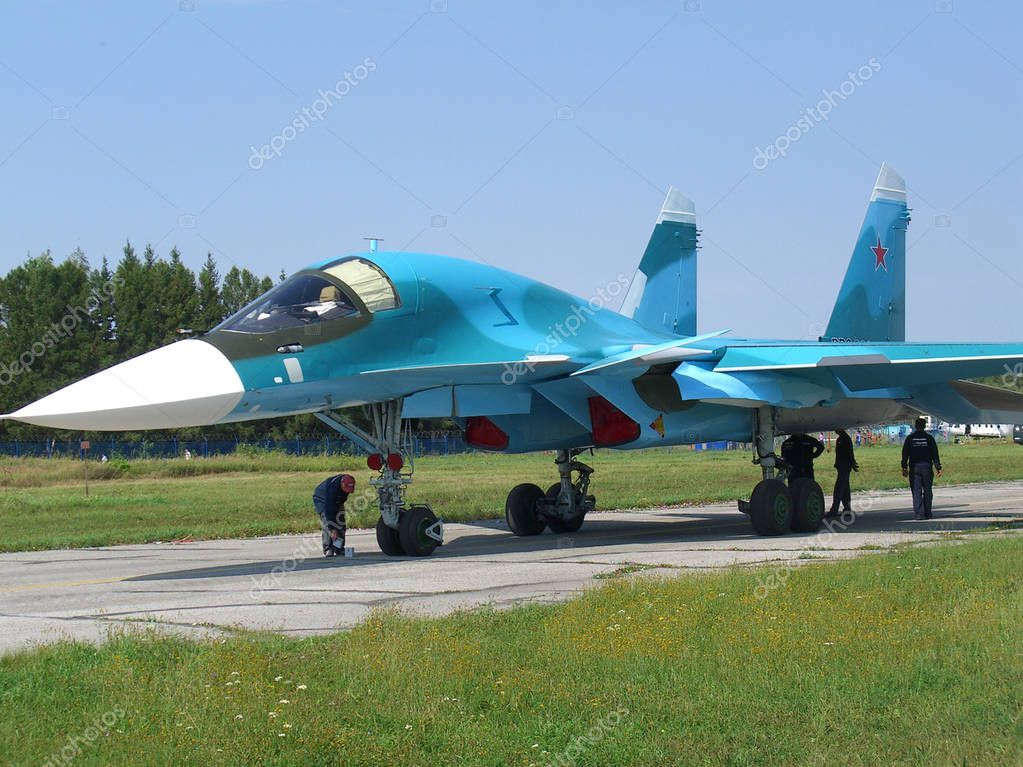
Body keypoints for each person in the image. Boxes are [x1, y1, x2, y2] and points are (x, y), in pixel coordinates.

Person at [901, 418, 943, 520]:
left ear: (915, 426)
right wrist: (938, 467)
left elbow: (905, 454)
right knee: (928, 490)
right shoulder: (929, 438)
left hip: (914, 468)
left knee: (916, 491)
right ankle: (928, 513)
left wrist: (904, 467)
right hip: (927, 467)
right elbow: (934, 454)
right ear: (924, 426)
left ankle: (919, 514)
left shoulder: (910, 438)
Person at [313, 473, 356, 557]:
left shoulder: (348, 482)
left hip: (336, 500)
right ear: (342, 485)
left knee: (341, 522)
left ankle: (339, 548)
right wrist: (332, 529)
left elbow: (341, 500)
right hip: (322, 499)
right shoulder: (332, 490)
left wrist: (340, 516)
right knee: (327, 523)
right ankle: (328, 549)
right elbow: (329, 511)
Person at [828, 429, 859, 517]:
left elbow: (849, 453)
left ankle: (834, 510)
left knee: (839, 488)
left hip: (844, 466)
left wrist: (853, 463)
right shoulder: (842, 438)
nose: (835, 430)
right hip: (842, 466)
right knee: (845, 488)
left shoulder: (844, 439)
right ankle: (847, 509)